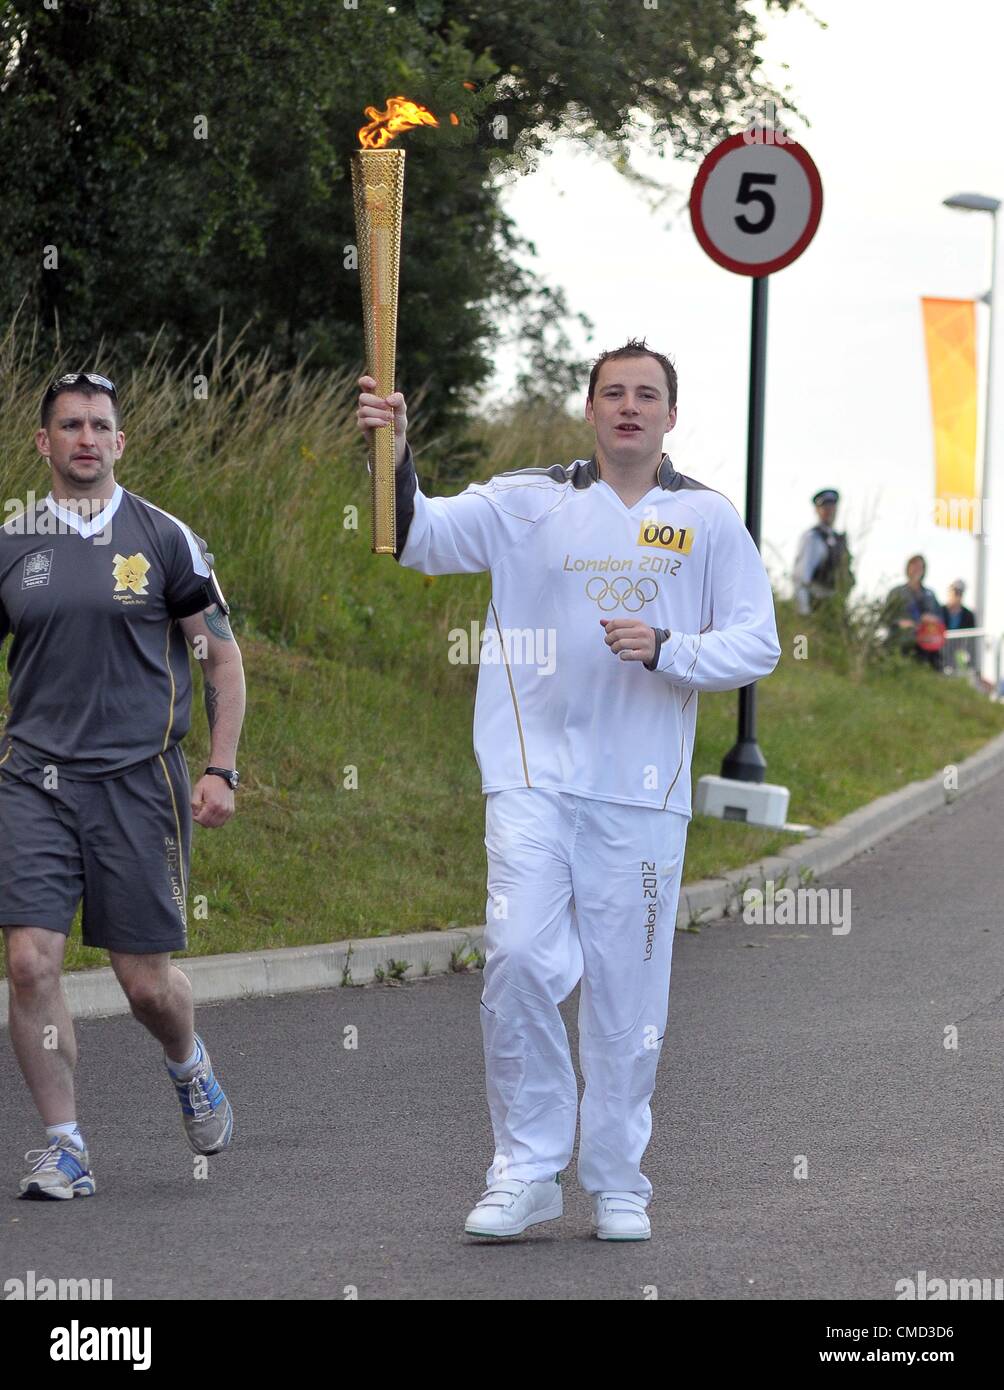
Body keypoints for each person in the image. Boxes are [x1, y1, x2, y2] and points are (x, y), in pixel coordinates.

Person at [356, 339, 780, 1241]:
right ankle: (526, 1168)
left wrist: (673, 650)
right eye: (613, 393)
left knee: (629, 996)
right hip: (530, 776)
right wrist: (392, 453)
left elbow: (758, 642)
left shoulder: (708, 520)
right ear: (589, 410)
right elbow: (420, 538)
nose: (629, 406)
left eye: (647, 394)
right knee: (515, 956)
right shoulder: (529, 501)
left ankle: (619, 1179)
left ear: (671, 414)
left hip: (642, 794)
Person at [0, 372, 246, 1200]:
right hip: (33, 779)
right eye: (69, 425)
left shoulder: (164, 537)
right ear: (43, 442)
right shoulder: (12, 541)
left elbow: (221, 655)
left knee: (145, 985)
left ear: (120, 441)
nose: (85, 438)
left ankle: (187, 1062)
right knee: (29, 962)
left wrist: (220, 766)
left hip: (138, 781)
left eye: (100, 425)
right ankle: (65, 1147)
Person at [793, 488, 853, 615]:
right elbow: (802, 578)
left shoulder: (839, 539)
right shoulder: (813, 538)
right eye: (825, 507)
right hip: (817, 606)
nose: (829, 511)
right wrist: (804, 613)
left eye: (832, 507)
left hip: (837, 607)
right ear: (817, 510)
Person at [883, 554, 943, 669]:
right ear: (908, 568)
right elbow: (886, 618)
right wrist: (900, 623)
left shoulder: (929, 595)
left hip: (927, 645)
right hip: (902, 644)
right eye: (914, 566)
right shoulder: (897, 593)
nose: (917, 570)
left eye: (920, 567)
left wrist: (932, 620)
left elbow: (941, 618)